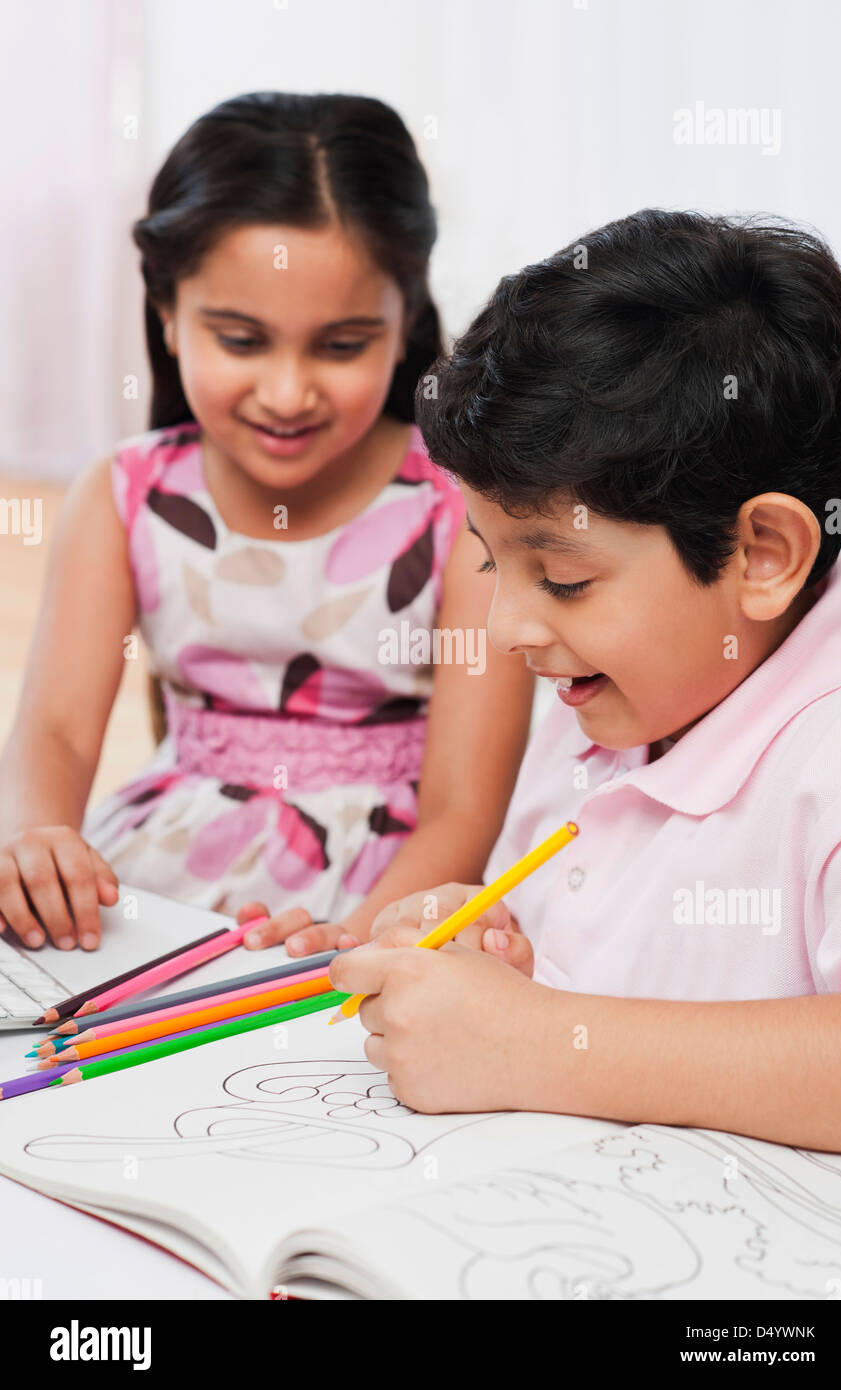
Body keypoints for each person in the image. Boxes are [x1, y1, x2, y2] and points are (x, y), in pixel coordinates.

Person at [331, 209, 841, 1152]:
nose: (507, 630)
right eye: (493, 565)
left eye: (565, 579)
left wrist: (539, 1044)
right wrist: (496, 952)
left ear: (763, 551)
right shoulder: (609, 698)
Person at [0, 92, 533, 958]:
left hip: (390, 902)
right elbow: (54, 731)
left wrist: (353, 953)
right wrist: (33, 840)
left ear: (404, 325)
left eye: (341, 345)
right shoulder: (124, 493)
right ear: (168, 315)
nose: (287, 394)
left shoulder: (462, 508)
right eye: (242, 341)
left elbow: (464, 810)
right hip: (157, 881)